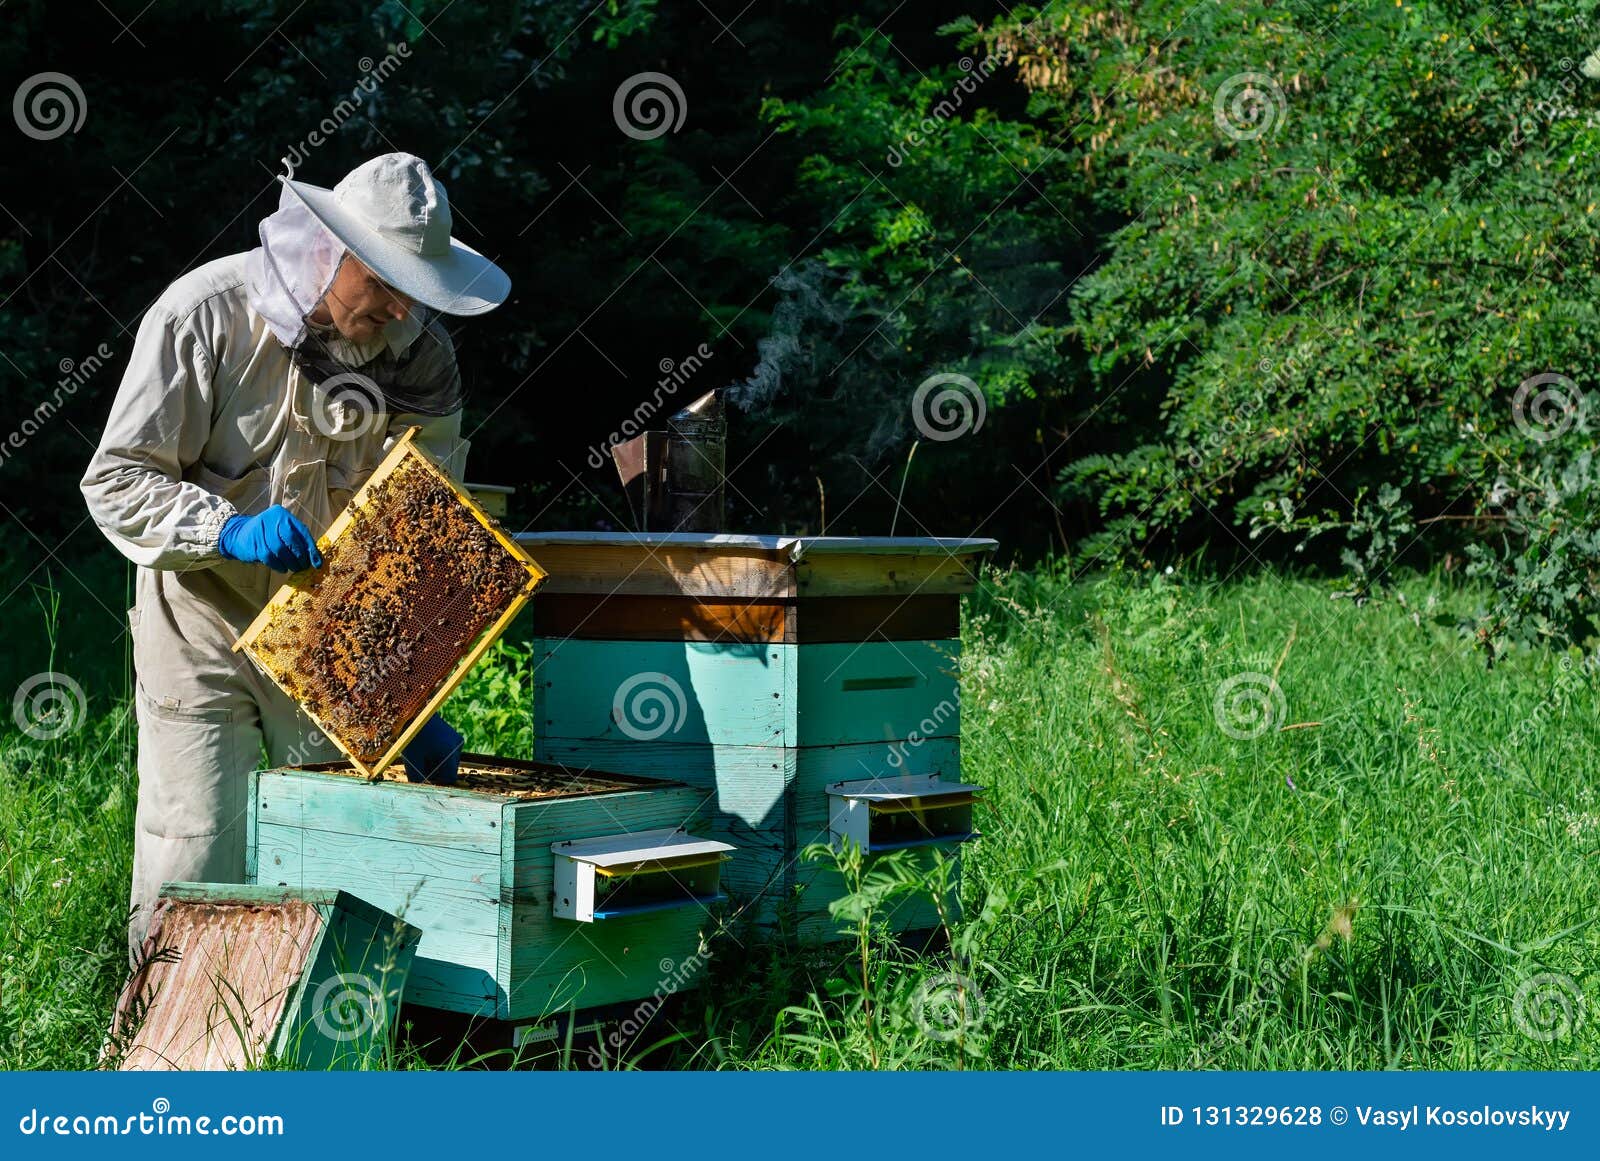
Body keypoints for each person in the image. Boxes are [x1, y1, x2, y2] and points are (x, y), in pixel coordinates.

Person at [80, 152, 510, 961]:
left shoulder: (421, 361)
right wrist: (224, 529)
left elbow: (419, 533)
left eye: (412, 288)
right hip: (201, 616)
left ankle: (315, 1058)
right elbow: (116, 478)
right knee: (198, 848)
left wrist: (407, 692)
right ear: (329, 249)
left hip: (330, 635)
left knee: (333, 853)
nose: (396, 308)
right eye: (381, 281)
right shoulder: (203, 316)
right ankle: (167, 1058)